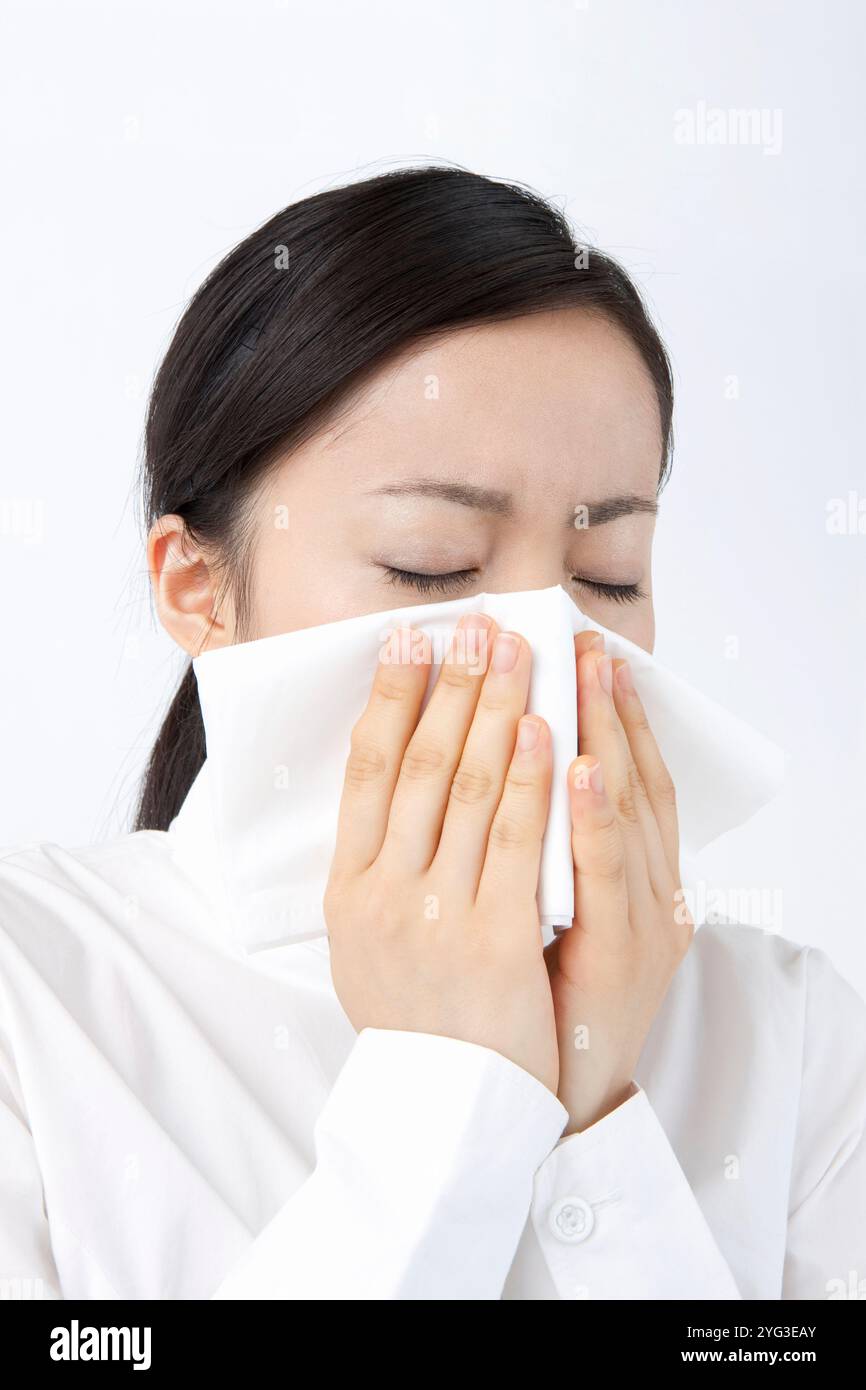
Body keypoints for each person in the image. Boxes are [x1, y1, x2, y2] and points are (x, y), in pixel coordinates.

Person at [1, 167, 863, 1301]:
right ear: (195, 587)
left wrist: (597, 1107)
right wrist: (450, 1091)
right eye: (432, 564)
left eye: (606, 576)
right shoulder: (36, 998)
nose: (537, 637)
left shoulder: (784, 1032)